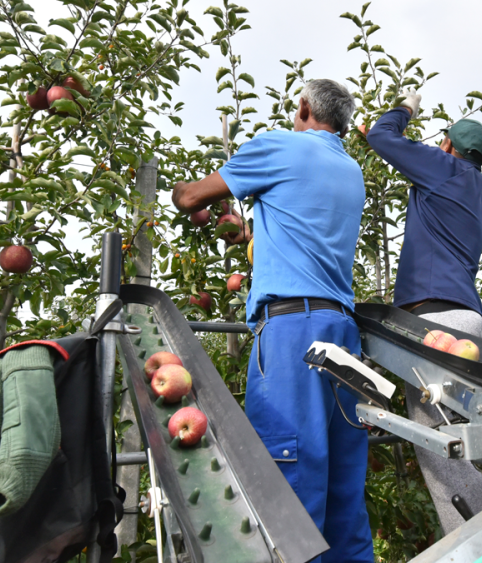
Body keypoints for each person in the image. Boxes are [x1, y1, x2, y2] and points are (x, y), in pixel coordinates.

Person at [171, 79, 373, 563]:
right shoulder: (349, 170)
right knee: (344, 487)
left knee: (290, 482)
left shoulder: (279, 146)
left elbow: (189, 199)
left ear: (303, 107)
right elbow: (301, 221)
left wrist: (188, 191)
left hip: (291, 335)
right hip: (343, 332)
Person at [365, 91, 482, 535]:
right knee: (461, 439)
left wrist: (404, 107)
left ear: (447, 146)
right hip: (465, 320)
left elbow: (382, 136)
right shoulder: (474, 186)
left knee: (438, 449)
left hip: (435, 325)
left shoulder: (446, 168)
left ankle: (475, 545)